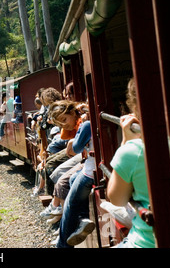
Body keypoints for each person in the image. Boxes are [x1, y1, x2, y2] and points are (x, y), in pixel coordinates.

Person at [107, 78, 155, 248]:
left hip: (146, 243)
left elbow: (116, 199)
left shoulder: (134, 150)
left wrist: (125, 144)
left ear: (135, 108)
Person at [48, 100, 96, 248]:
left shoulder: (86, 124)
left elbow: (76, 148)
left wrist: (73, 140)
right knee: (73, 178)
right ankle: (83, 219)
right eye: (60, 124)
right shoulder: (85, 121)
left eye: (64, 120)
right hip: (89, 168)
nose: (65, 125)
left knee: (69, 204)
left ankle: (62, 245)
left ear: (73, 112)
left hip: (89, 173)